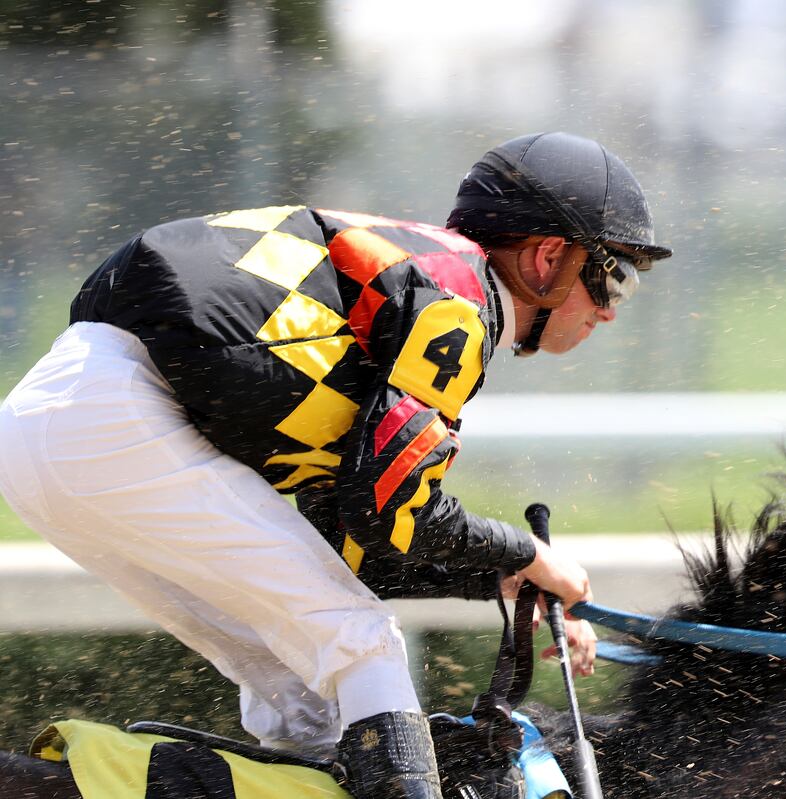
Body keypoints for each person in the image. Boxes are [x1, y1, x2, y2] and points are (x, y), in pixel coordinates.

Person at [0, 132, 671, 799]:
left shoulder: (406, 292)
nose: (610, 311)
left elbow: (360, 547)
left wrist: (502, 578)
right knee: (364, 644)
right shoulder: (459, 305)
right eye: (616, 275)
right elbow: (392, 510)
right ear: (549, 257)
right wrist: (526, 553)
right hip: (118, 419)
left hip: (58, 425)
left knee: (304, 690)